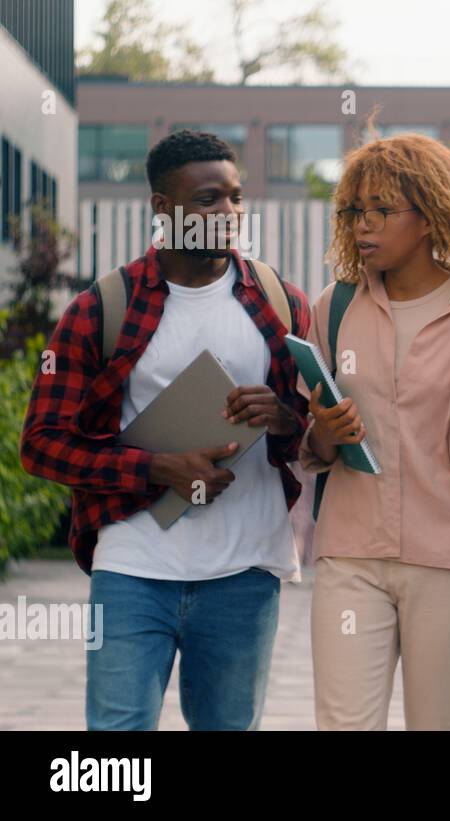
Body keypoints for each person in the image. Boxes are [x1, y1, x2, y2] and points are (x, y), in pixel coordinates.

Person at [21, 130, 310, 730]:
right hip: (133, 566)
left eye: (235, 198)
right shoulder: (103, 307)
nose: (228, 214)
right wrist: (156, 468)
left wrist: (285, 419)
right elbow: (42, 444)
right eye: (209, 200)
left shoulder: (280, 302)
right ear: (162, 207)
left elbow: (309, 442)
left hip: (246, 572)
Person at [299, 131, 450, 730]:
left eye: (381, 211)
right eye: (354, 212)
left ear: (428, 217)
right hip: (351, 552)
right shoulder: (335, 307)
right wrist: (323, 429)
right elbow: (313, 447)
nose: (362, 227)